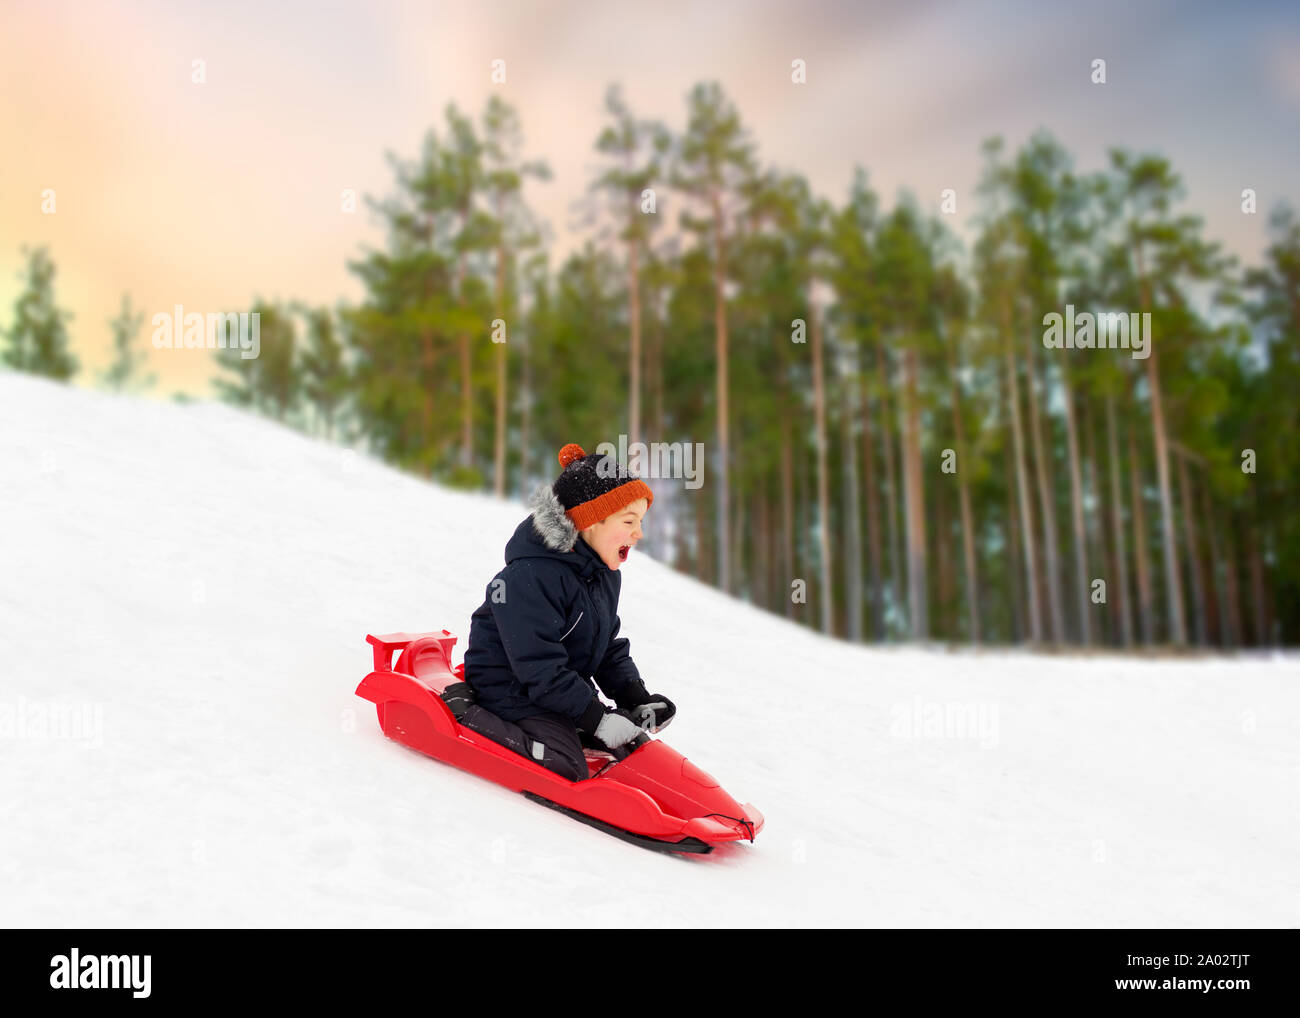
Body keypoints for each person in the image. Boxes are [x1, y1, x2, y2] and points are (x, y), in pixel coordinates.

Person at [442, 442, 677, 782]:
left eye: (640, 521)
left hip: (557, 689)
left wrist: (635, 698)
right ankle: (469, 716)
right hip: (511, 689)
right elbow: (539, 667)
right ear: (591, 520)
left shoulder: (603, 576)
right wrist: (594, 718)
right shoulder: (529, 578)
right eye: (629, 521)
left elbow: (607, 647)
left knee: (632, 745)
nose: (638, 534)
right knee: (563, 764)